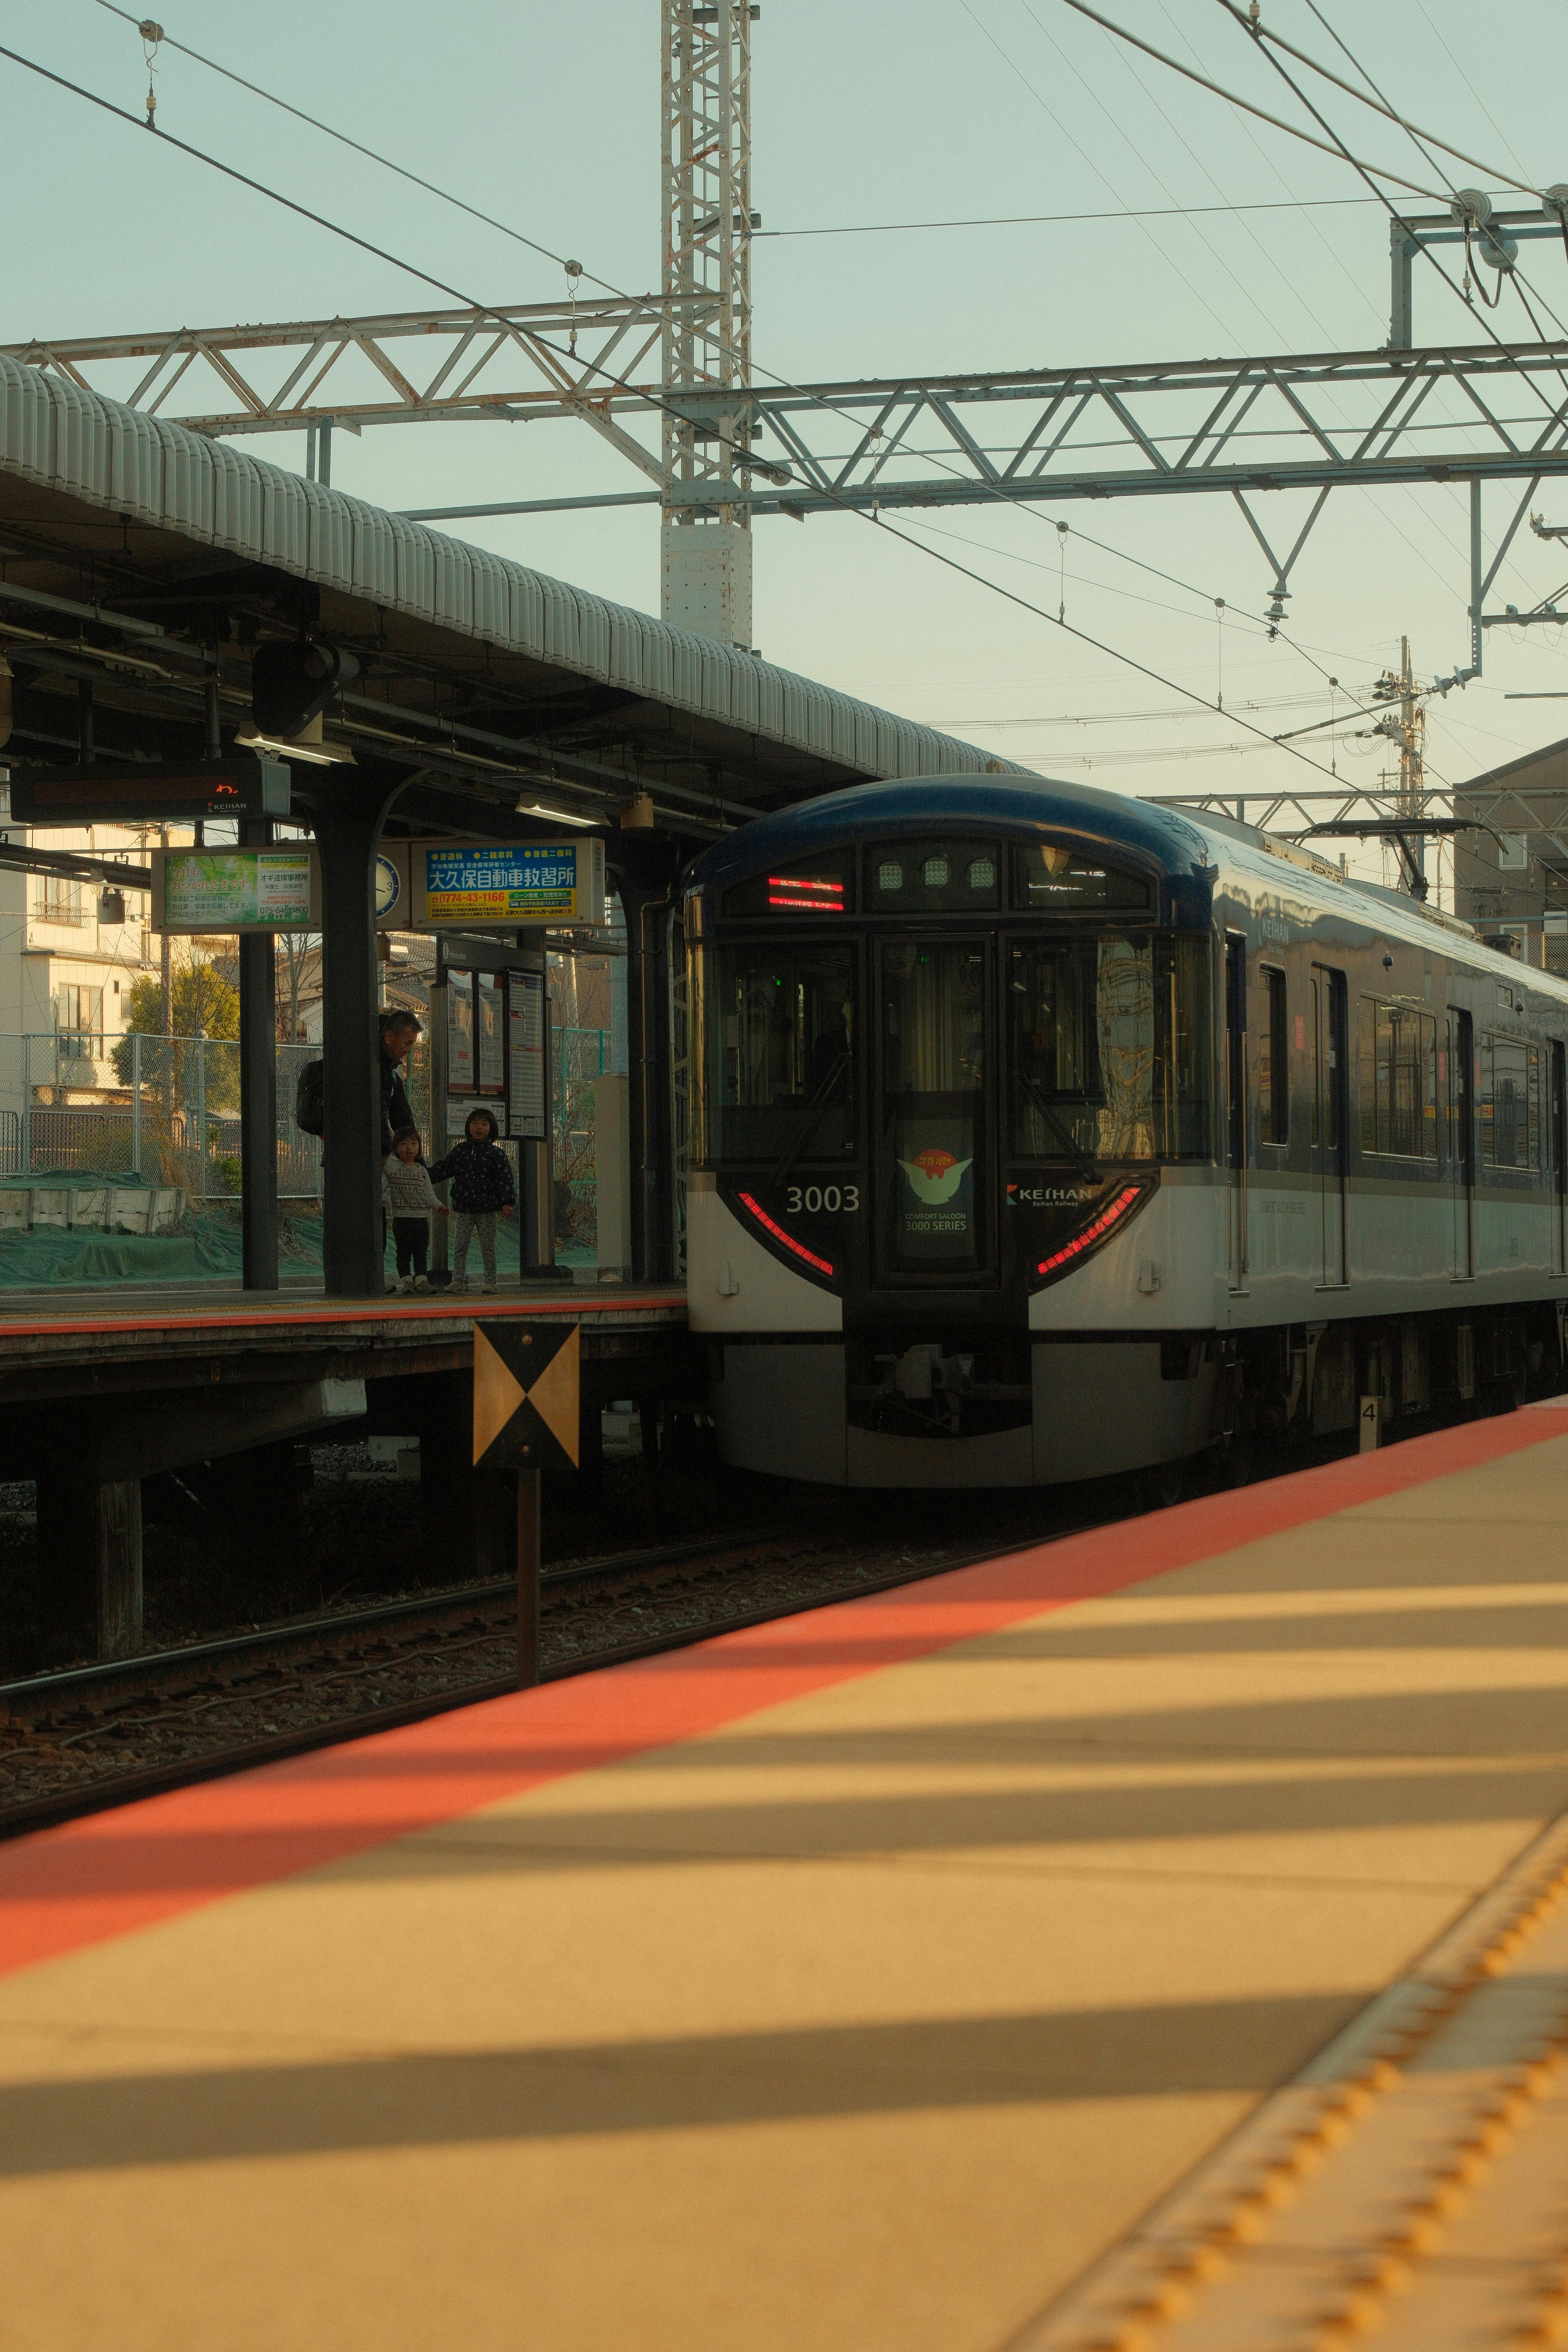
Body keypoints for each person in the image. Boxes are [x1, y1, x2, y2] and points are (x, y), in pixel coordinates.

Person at [430, 1108, 515, 1293]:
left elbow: (505, 1179)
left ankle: (490, 1282)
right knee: (460, 1246)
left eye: (484, 1124)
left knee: (487, 1247)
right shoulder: (461, 1151)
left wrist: (507, 1202)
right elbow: (445, 1169)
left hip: (487, 1209)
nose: (479, 1127)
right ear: (468, 1127)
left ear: (492, 1128)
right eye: (475, 1123)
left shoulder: (496, 1154)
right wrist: (424, 1174)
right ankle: (458, 1280)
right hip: (465, 1208)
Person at [381, 1124, 446, 1293]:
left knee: (421, 1252)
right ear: (396, 1148)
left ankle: (422, 1281)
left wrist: (439, 1206)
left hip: (421, 1219)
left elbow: (429, 1194)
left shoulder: (422, 1171)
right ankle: (407, 1282)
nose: (409, 1148)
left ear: (419, 1147)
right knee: (403, 1252)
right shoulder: (391, 1166)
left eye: (413, 1143)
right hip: (401, 1218)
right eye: (403, 1144)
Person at [379, 1011, 423, 1162]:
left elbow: (402, 1121)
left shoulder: (391, 1076)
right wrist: (384, 1151)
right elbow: (380, 1115)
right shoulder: (379, 1073)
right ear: (389, 1038)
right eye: (407, 1043)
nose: (409, 1050)